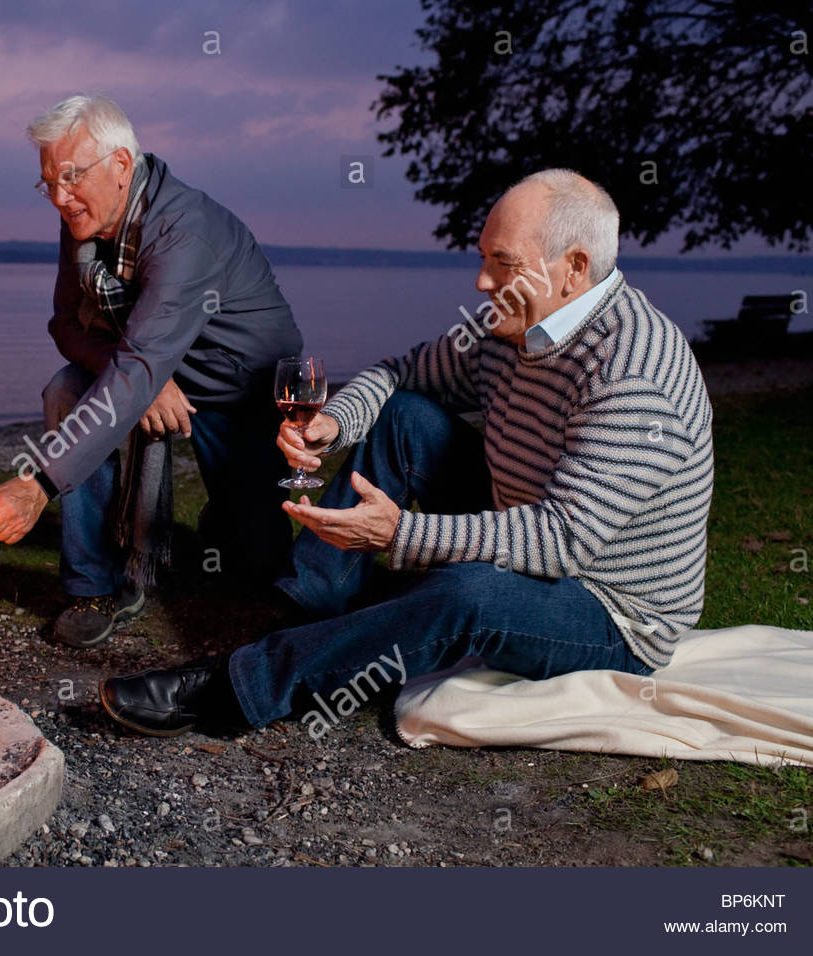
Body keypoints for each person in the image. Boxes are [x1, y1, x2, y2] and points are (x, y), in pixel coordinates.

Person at [100, 168, 714, 737]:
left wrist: (400, 534)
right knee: (406, 418)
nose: (481, 282)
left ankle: (238, 688)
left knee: (470, 594)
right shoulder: (512, 325)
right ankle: (309, 605)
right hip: (525, 519)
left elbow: (560, 543)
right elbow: (401, 372)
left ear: (572, 268)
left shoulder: (635, 374)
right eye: (482, 259)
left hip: (609, 605)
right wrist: (333, 424)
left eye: (502, 263)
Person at [0, 95, 302, 647]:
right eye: (48, 183)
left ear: (121, 166)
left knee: (258, 565)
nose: (58, 197)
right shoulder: (85, 217)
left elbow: (140, 364)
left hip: (238, 380)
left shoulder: (183, 231)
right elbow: (64, 326)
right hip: (149, 360)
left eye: (71, 178)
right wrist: (141, 378)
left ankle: (222, 541)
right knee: (66, 390)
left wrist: (34, 488)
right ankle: (93, 586)